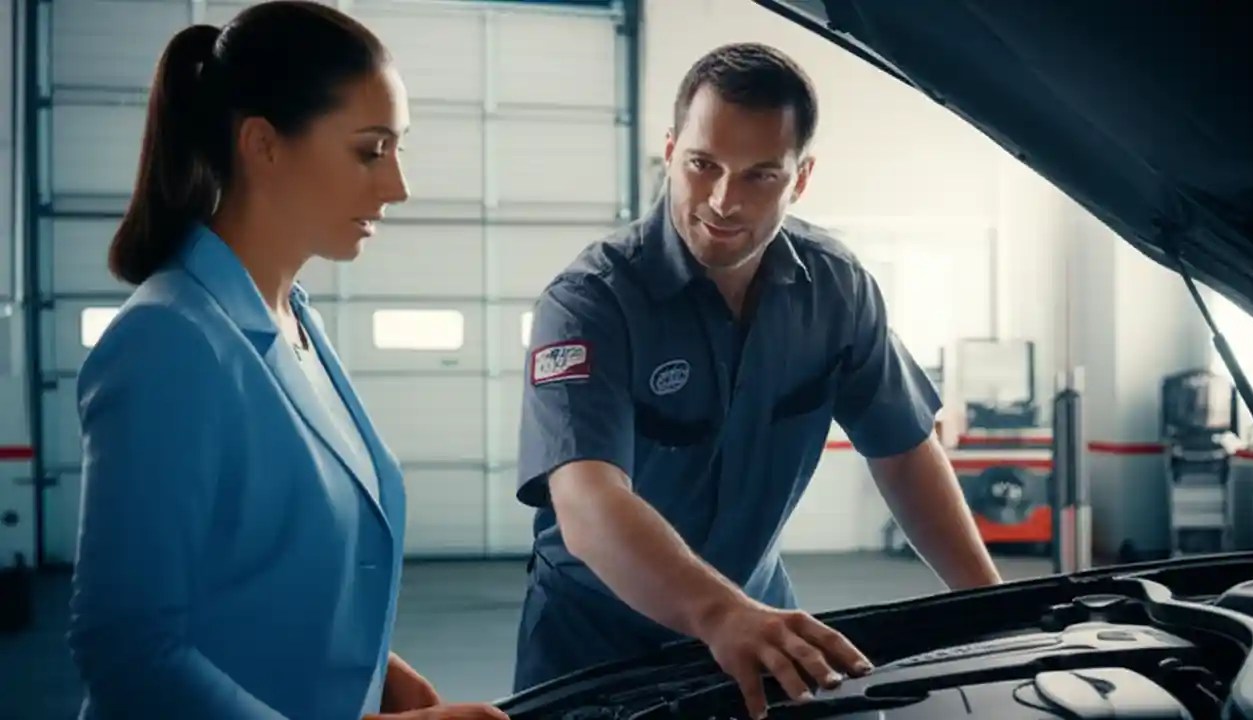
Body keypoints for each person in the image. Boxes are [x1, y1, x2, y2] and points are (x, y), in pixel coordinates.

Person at [512, 42, 1003, 718]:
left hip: (756, 621)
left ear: (800, 178)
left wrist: (993, 608)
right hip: (595, 640)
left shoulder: (837, 290)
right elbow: (588, 506)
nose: (722, 201)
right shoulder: (591, 301)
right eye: (702, 165)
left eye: (759, 176)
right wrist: (721, 614)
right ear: (669, 151)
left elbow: (904, 452)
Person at [67, 4, 506, 720]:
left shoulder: (292, 318)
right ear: (263, 145)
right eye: (371, 150)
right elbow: (129, 651)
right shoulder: (168, 343)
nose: (398, 186)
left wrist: (376, 675)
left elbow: (264, 573)